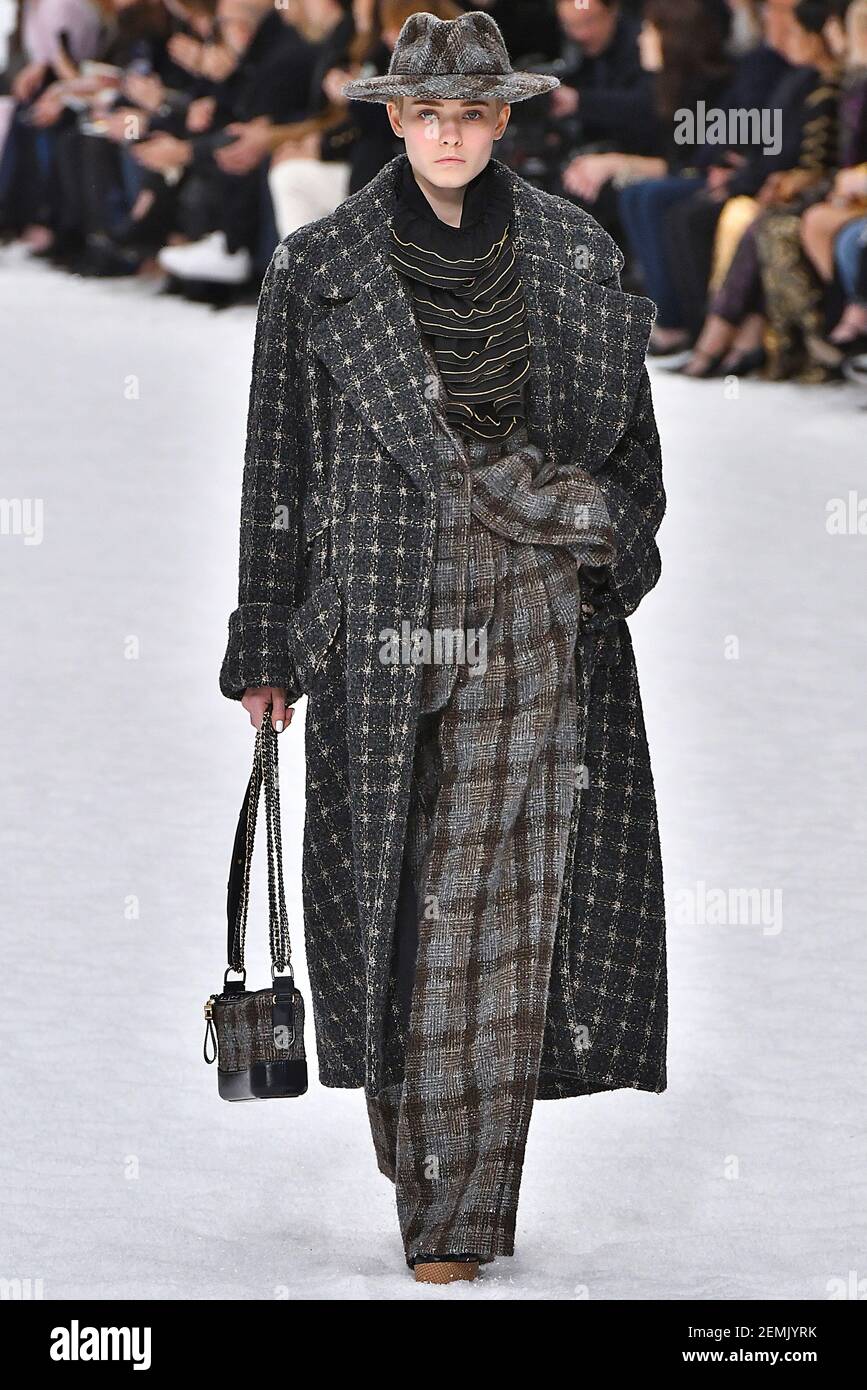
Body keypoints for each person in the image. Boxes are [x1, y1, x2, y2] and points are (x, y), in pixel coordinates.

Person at [219, 9, 668, 1284]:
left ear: (506, 118)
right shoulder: (319, 266)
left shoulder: (578, 253)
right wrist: (266, 636)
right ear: (396, 121)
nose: (452, 131)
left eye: (474, 111)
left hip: (531, 610)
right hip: (370, 613)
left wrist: (605, 539)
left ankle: (459, 1212)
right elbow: (277, 470)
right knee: (397, 901)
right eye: (429, 113)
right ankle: (422, 1138)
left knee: (495, 905)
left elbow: (630, 449)